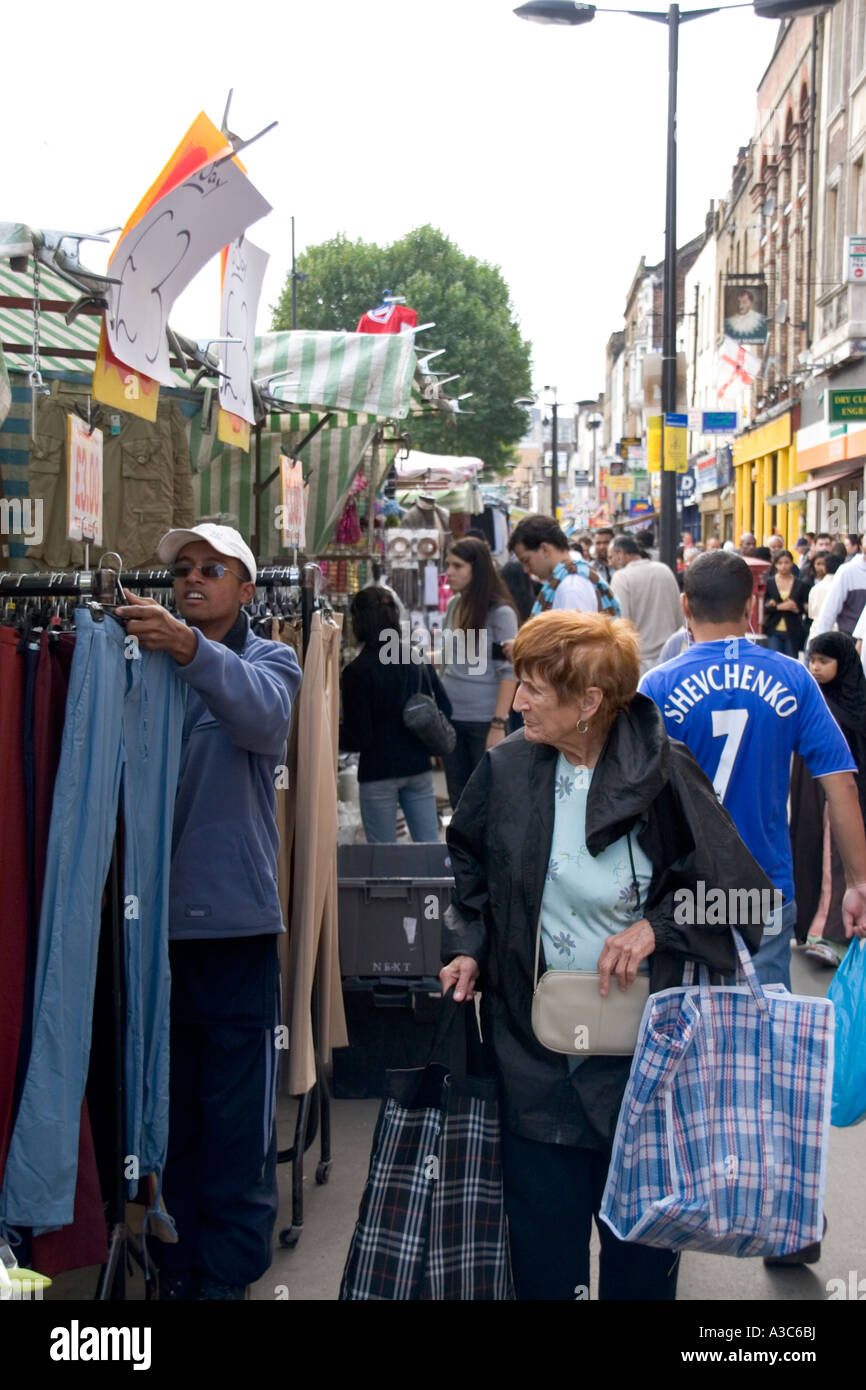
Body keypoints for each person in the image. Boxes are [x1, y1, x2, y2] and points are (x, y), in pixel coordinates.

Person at [439, 610, 771, 1302]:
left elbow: (745, 898)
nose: (517, 701)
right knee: (544, 1256)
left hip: (645, 1066)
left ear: (589, 702)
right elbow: (468, 871)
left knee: (640, 1264)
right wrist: (468, 948)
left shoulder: (663, 772)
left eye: (532, 687)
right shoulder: (505, 770)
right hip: (535, 1055)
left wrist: (658, 926)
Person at [115, 524, 302, 1300]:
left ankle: (224, 1278)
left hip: (232, 928)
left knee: (234, 1123)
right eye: (183, 570)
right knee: (168, 1113)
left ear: (247, 589)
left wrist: (190, 652)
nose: (193, 581)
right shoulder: (140, 665)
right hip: (150, 931)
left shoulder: (270, 660)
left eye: (212, 569)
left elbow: (264, 718)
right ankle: (174, 1268)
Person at [640, 551, 866, 994]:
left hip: (686, 888)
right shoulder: (793, 679)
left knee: (686, 1025)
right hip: (764, 886)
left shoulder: (658, 685)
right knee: (761, 1039)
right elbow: (840, 785)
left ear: (686, 606)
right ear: (750, 607)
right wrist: (858, 881)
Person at [340, 587, 451, 843]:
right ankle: (433, 885)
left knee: (384, 857)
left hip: (378, 772)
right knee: (429, 847)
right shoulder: (416, 659)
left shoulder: (357, 671)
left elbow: (360, 737)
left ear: (359, 621)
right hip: (418, 766)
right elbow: (446, 708)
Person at [792, 633, 866, 966]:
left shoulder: (855, 705)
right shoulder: (810, 699)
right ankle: (811, 926)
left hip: (843, 796)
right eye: (813, 660)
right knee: (810, 849)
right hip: (810, 793)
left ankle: (832, 934)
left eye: (824, 661)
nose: (816, 668)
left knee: (836, 860)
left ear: (844, 663)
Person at [440, 537, 518, 809]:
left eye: (457, 565)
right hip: (451, 718)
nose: (448, 571)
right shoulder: (453, 606)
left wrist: (498, 724)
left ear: (477, 569)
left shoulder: (500, 613)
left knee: (487, 800)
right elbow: (451, 659)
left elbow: (510, 672)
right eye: (447, 564)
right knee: (458, 799)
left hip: (484, 721)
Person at [508, 515, 611, 618]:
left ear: (544, 550)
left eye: (526, 560)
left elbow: (574, 633)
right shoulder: (567, 581)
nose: (526, 569)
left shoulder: (571, 588)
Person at [609, 534, 682, 673]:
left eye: (611, 557)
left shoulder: (621, 578)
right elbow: (680, 617)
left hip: (641, 662)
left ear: (620, 554)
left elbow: (621, 626)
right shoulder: (664, 570)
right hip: (672, 658)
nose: (610, 562)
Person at [811, 532, 866, 636]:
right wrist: (822, 643)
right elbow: (830, 610)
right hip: (850, 639)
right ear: (860, 546)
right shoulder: (848, 571)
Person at [763, 549, 809, 657]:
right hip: (773, 629)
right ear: (775, 565)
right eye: (780, 563)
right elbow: (763, 607)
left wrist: (797, 608)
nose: (783, 566)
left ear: (792, 563)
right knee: (775, 660)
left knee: (791, 660)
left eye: (786, 562)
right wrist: (779, 607)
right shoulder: (769, 583)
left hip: (793, 629)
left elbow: (805, 606)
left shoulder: (800, 584)